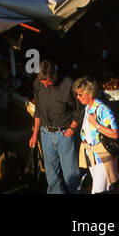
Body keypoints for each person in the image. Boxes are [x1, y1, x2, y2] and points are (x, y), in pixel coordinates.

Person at [29, 60, 81, 194]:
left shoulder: (68, 83)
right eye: (43, 83)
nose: (45, 85)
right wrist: (35, 134)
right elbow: (38, 111)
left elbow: (80, 109)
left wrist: (72, 128)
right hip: (45, 133)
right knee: (52, 175)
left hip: (65, 134)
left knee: (71, 175)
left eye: (48, 82)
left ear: (54, 75)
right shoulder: (38, 84)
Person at [74, 76, 119, 192]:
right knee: (105, 189)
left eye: (80, 94)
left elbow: (115, 134)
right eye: (77, 94)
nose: (77, 97)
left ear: (90, 94)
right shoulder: (87, 108)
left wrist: (96, 124)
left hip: (102, 156)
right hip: (92, 156)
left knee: (97, 190)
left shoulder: (103, 109)